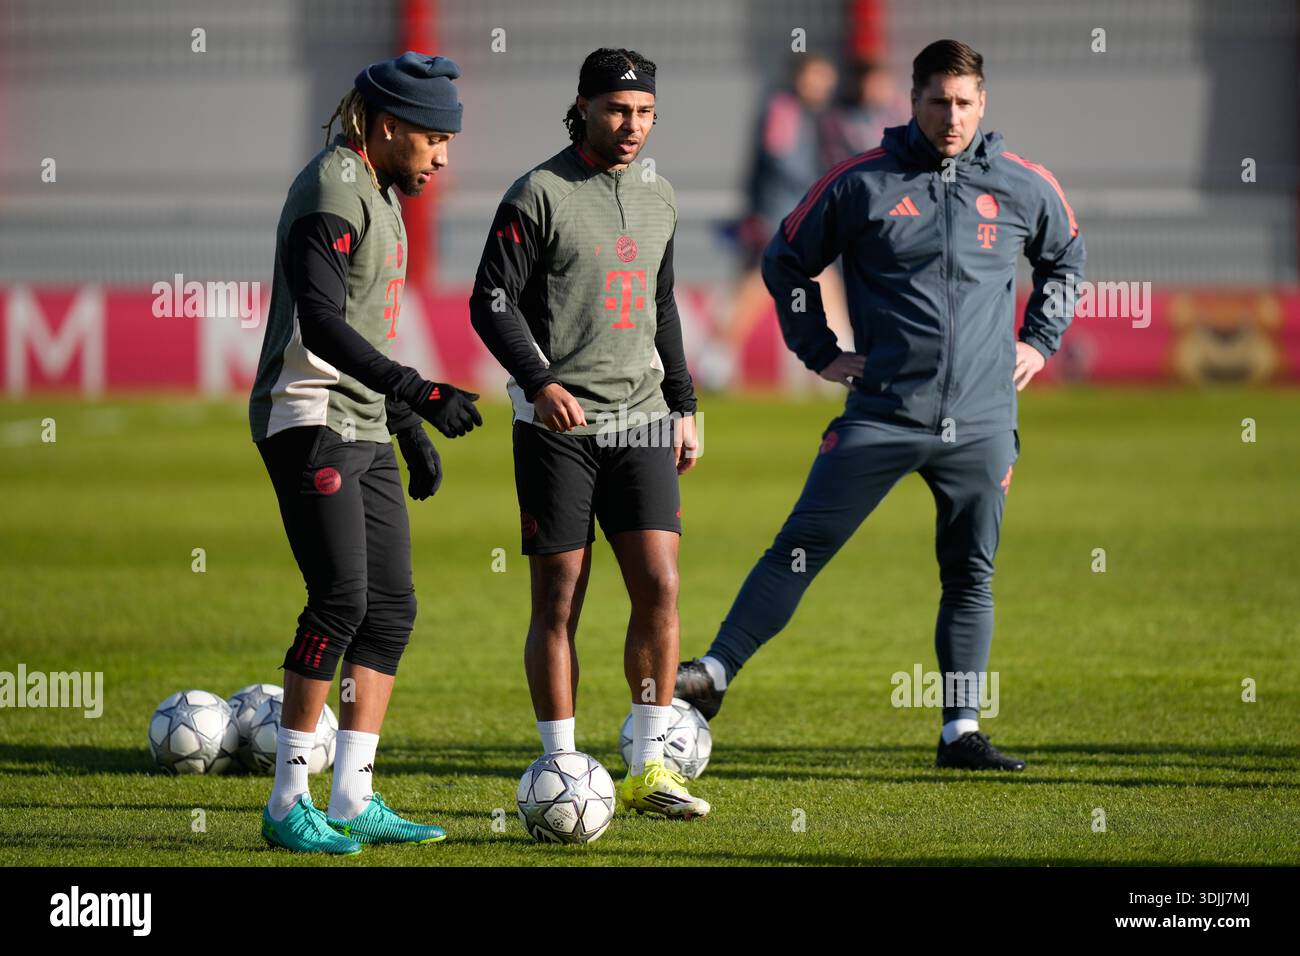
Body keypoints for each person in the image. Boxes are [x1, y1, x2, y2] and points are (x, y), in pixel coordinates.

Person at [677, 39, 1086, 771]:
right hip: (883, 412)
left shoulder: (1023, 185)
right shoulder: (861, 182)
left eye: (964, 103)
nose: (952, 116)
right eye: (938, 102)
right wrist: (820, 350)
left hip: (985, 423)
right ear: (914, 100)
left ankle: (961, 732)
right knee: (799, 548)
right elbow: (785, 259)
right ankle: (715, 672)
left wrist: (1040, 340)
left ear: (983, 103)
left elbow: (1067, 258)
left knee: (970, 573)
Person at [248, 52, 483, 853]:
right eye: (432, 140)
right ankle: (287, 804)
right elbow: (320, 322)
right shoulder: (332, 189)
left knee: (391, 608)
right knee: (340, 600)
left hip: (364, 422)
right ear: (387, 128)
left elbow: (369, 331)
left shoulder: (381, 195)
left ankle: (351, 797)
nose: (443, 156)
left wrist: (406, 429)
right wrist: (420, 393)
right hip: (308, 416)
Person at [469, 48, 709, 818]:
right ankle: (562, 765)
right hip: (557, 430)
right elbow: (491, 299)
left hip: (642, 420)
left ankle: (647, 768)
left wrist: (684, 402)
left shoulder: (661, 195)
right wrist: (540, 383)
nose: (630, 125)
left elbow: (662, 305)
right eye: (616, 110)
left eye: (643, 113)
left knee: (661, 585)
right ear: (582, 107)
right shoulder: (537, 193)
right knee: (560, 598)